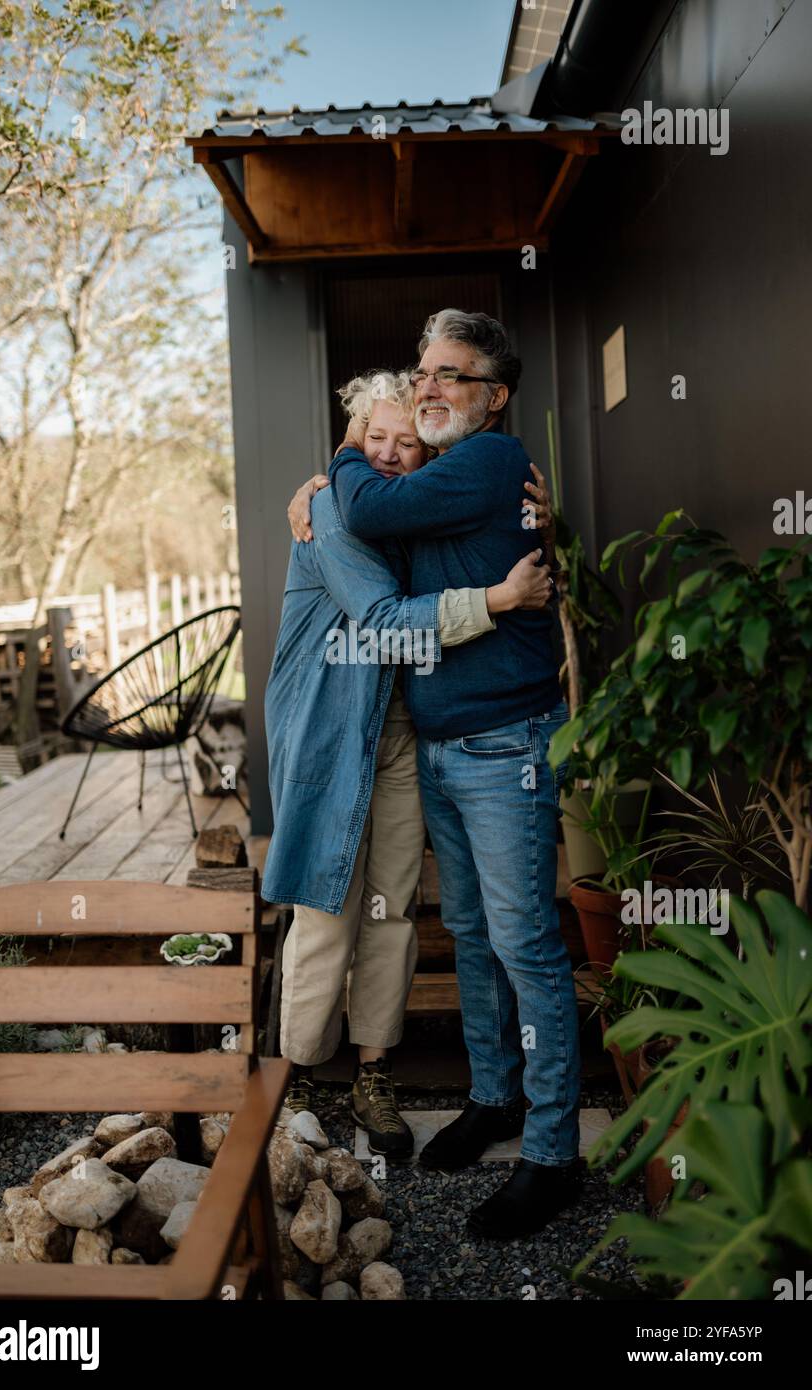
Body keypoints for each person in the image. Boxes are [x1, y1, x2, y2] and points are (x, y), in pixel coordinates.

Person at [327, 311, 582, 1238]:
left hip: (504, 744)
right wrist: (320, 486)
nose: (430, 387)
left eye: (452, 375)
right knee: (472, 935)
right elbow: (372, 520)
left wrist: (346, 452)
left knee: (525, 947)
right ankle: (494, 1098)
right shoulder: (450, 469)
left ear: (496, 395)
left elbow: (368, 509)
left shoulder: (488, 461)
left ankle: (554, 1153)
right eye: (424, 372)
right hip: (444, 744)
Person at [262, 369, 554, 1163]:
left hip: (399, 732)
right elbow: (389, 624)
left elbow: (488, 524)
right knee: (326, 910)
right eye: (375, 440)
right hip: (326, 729)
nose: (392, 455)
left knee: (393, 913)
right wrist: (498, 599)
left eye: (407, 443)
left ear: (428, 453)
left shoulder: (411, 514)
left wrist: (540, 518)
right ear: (353, 442)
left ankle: (373, 1071)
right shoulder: (331, 509)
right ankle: (296, 1079)